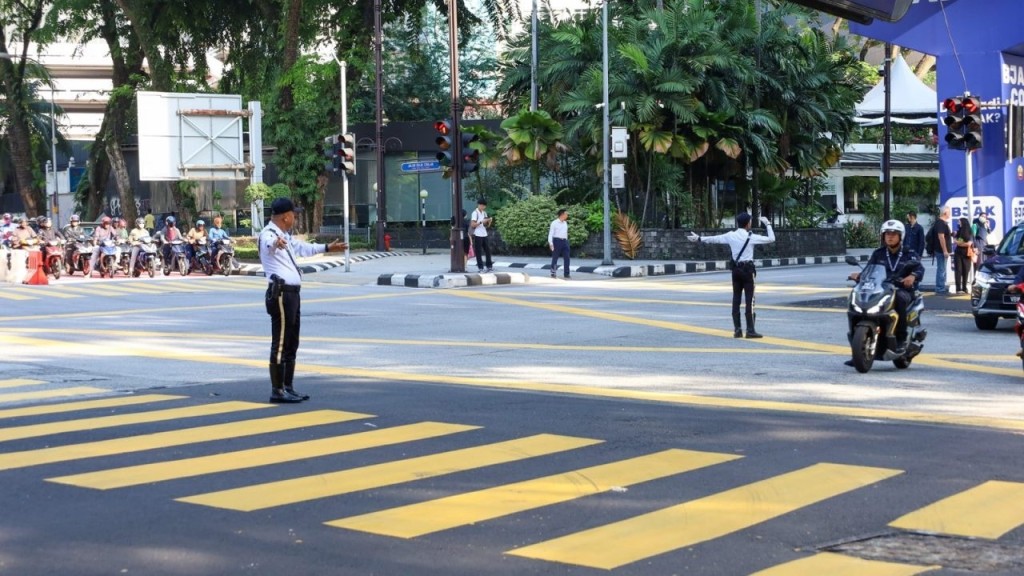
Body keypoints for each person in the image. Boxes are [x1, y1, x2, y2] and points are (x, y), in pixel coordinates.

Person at [259, 197, 346, 403]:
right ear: (285, 217)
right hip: (280, 294)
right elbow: (269, 245)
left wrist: (327, 248)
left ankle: (288, 386)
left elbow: (303, 248)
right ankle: (277, 390)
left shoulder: (284, 235)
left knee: (291, 341)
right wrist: (276, 243)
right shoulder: (269, 234)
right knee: (280, 342)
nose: (296, 217)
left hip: (292, 294)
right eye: (294, 214)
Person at [846, 220, 924, 362]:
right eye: (887, 234)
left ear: (901, 236)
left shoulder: (909, 254)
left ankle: (900, 338)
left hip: (902, 289)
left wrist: (912, 276)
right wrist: (859, 275)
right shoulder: (878, 253)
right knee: (857, 297)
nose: (890, 236)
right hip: (882, 289)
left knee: (899, 299)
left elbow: (919, 268)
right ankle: (857, 351)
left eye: (894, 234)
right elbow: (869, 270)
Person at [687, 213, 775, 338]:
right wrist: (768, 224)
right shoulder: (751, 236)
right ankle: (750, 330)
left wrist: (699, 238)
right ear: (748, 223)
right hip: (748, 271)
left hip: (736, 270)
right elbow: (771, 239)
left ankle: (737, 330)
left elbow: (715, 239)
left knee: (736, 299)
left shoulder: (730, 235)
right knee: (750, 300)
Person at [470, 199, 494, 273]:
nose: (482, 207)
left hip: (484, 234)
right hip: (477, 234)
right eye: (481, 205)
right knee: (478, 252)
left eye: (484, 206)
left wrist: (489, 221)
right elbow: (473, 224)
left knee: (488, 251)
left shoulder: (484, 213)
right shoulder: (475, 213)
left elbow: (486, 226)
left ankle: (489, 266)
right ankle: (480, 267)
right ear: (478, 205)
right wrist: (481, 222)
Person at [933, 206, 952, 295]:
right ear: (945, 213)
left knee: (942, 269)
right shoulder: (941, 223)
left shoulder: (942, 223)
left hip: (941, 250)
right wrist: (945, 250)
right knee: (941, 269)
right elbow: (941, 237)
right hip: (941, 251)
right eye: (949, 212)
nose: (950, 214)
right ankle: (940, 288)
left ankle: (941, 287)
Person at [953, 216, 974, 294]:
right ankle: (958, 288)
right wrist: (960, 243)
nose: (958, 223)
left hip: (967, 254)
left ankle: (964, 287)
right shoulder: (959, 231)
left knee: (966, 270)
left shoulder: (970, 231)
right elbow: (957, 241)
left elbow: (969, 243)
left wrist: (959, 243)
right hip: (958, 253)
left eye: (959, 222)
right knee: (958, 270)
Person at [548, 208, 571, 279]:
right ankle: (553, 272)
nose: (567, 215)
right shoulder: (554, 223)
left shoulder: (565, 223)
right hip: (557, 241)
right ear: (562, 214)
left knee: (567, 257)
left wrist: (566, 241)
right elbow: (550, 233)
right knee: (555, 257)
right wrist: (551, 243)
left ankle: (566, 273)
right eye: (566, 214)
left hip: (564, 241)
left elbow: (565, 233)